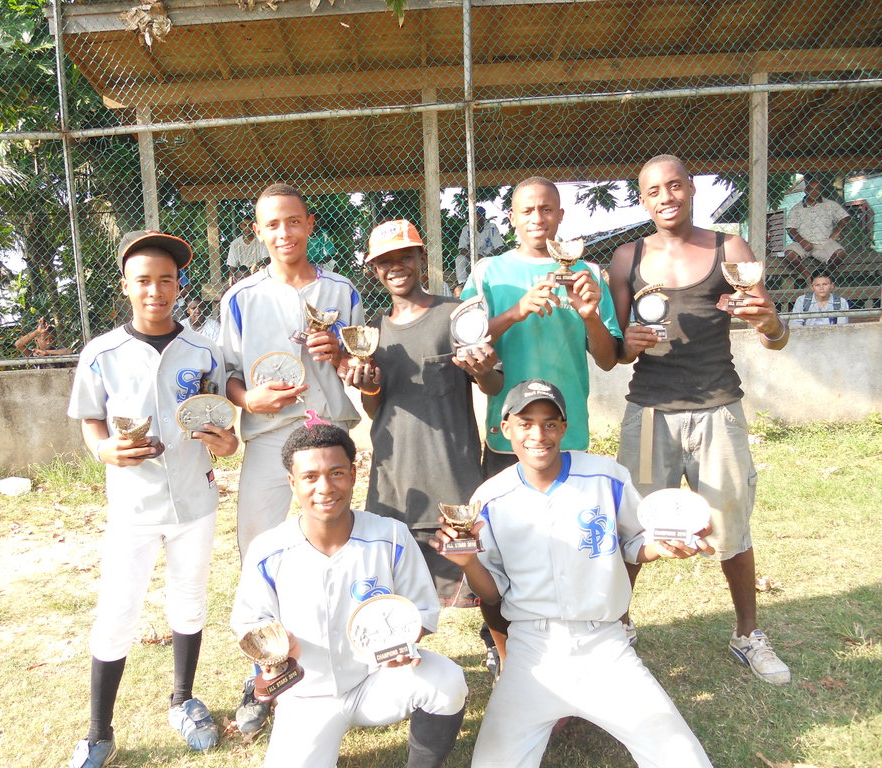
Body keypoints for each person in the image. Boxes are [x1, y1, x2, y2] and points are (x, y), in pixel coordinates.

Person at [434, 379, 713, 768]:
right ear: (505, 428)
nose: (539, 434)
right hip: (533, 651)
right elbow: (493, 592)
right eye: (526, 423)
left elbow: (636, 541)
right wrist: (468, 563)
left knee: (683, 757)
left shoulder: (605, 476)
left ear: (564, 428)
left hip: (605, 646)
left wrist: (662, 546)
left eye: (550, 423)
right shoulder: (490, 498)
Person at [607, 154, 792, 685]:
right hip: (650, 415)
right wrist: (629, 343)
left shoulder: (728, 249)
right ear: (642, 200)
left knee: (731, 526)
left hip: (717, 411)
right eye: (653, 191)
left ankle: (747, 634)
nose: (665, 197)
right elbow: (616, 351)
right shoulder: (627, 257)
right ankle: (617, 630)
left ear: (691, 188)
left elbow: (774, 336)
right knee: (634, 525)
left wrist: (770, 321)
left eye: (674, 186)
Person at [65, 230, 240, 767]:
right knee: (118, 609)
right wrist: (104, 449)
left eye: (166, 279)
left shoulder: (203, 350)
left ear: (179, 284)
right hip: (133, 506)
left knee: (189, 598)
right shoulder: (102, 353)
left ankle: (183, 701)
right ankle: (99, 732)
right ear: (125, 286)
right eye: (143, 280)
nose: (155, 291)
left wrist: (228, 442)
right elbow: (91, 418)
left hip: (195, 499)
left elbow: (219, 418)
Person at [231, 420, 468, 768]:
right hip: (306, 695)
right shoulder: (269, 550)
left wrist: (401, 644)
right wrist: (276, 653)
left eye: (337, 473)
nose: (325, 487)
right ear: (292, 482)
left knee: (446, 680)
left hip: (378, 678)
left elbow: (420, 610)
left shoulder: (390, 536)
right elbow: (251, 622)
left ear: (354, 474)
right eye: (310, 477)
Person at [460, 176, 621, 674]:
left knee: (574, 540)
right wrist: (516, 311)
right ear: (511, 217)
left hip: (566, 432)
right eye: (527, 210)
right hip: (508, 434)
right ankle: (499, 640)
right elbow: (465, 340)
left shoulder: (588, 272)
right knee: (502, 546)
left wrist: (590, 315)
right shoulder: (489, 272)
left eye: (547, 209)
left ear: (561, 216)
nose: (537, 218)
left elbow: (609, 357)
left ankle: (581, 629)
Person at [218, 183, 364, 732]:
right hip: (268, 437)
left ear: (310, 224)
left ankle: (342, 658)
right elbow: (228, 374)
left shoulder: (341, 290)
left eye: (294, 221)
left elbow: (359, 360)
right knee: (257, 549)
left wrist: (341, 354)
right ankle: (265, 670)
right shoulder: (241, 297)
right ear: (257, 232)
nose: (284, 233)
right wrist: (247, 399)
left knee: (334, 546)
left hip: (326, 432)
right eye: (273, 224)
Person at [341, 219, 503, 608]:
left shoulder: (455, 316)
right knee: (398, 600)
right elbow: (375, 408)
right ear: (374, 269)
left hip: (453, 483)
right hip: (396, 487)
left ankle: (499, 641)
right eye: (385, 261)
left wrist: (483, 370)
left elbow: (494, 385)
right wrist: (369, 387)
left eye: (405, 257)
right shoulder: (373, 332)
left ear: (422, 259)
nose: (396, 267)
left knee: (483, 594)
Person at [783, 176, 849, 281]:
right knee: (789, 254)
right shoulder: (796, 208)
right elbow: (791, 228)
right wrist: (802, 241)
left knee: (839, 253)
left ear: (821, 190)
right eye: (811, 189)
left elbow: (845, 217)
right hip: (803, 243)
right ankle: (808, 277)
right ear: (806, 191)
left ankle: (826, 276)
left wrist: (838, 231)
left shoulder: (830, 205)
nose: (814, 192)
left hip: (824, 242)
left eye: (817, 189)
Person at [456, 205, 504, 284]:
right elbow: (461, 248)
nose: (472, 218)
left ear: (483, 217)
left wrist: (486, 258)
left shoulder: (491, 227)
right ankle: (462, 283)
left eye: (476, 215)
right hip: (471, 259)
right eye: (470, 215)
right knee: (460, 258)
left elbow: (499, 247)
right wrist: (475, 256)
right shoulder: (466, 229)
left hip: (489, 258)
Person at [227, 217, 269, 282]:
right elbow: (232, 266)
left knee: (262, 268)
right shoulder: (235, 244)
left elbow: (267, 258)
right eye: (245, 225)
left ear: (254, 226)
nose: (247, 228)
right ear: (241, 226)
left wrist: (256, 264)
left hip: (256, 269)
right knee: (241, 273)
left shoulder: (261, 240)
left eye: (250, 225)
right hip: (242, 270)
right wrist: (230, 281)